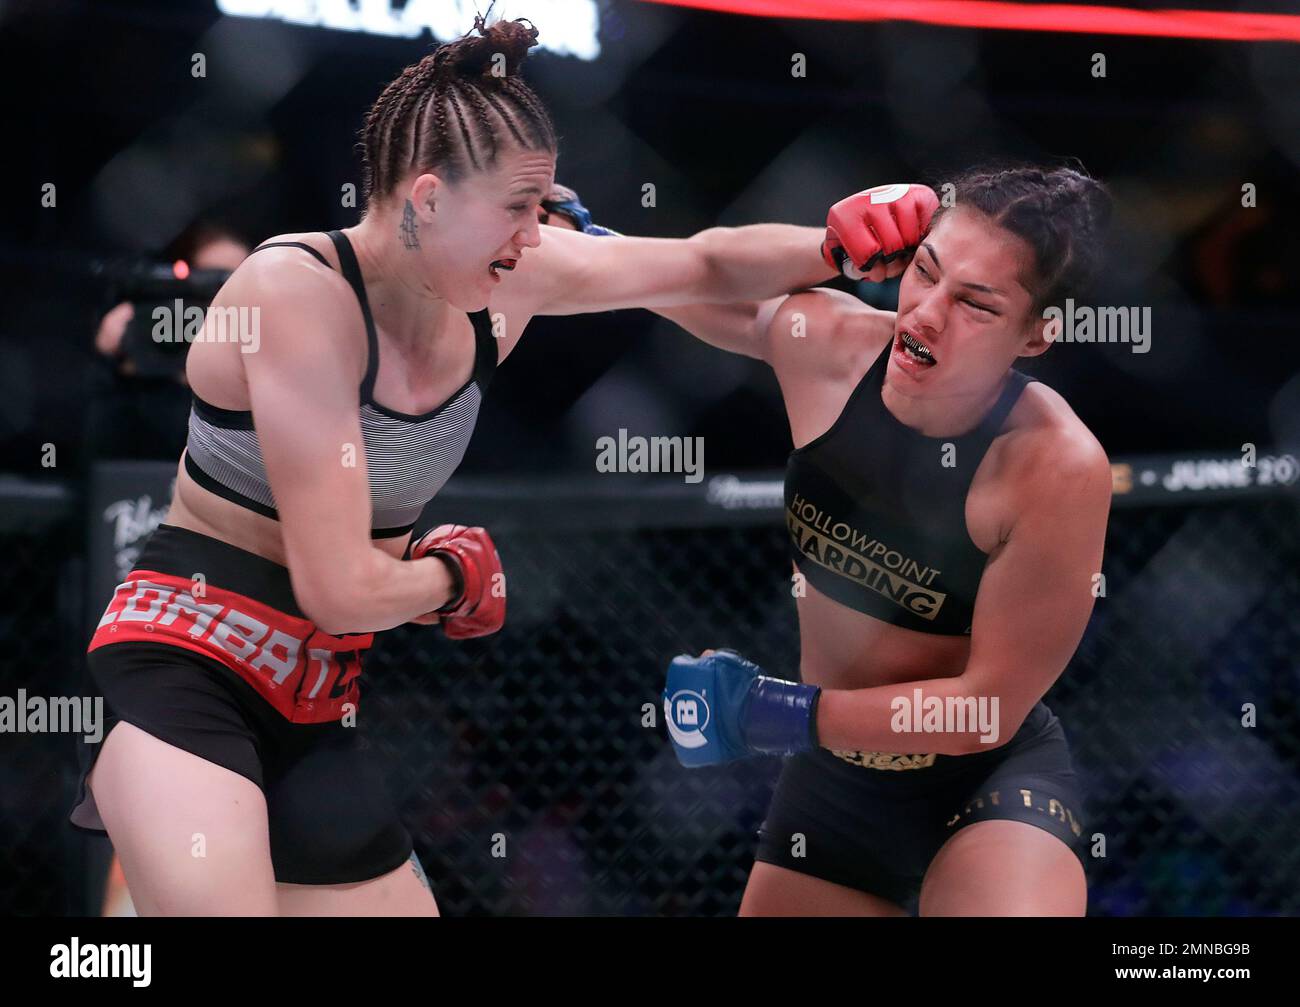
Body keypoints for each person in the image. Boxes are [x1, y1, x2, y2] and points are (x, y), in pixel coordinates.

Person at [68, 16, 879, 916]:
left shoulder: (507, 279)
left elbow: (699, 262)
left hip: (317, 700)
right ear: (426, 198)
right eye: (520, 206)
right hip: (187, 664)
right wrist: (451, 575)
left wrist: (839, 245)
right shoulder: (296, 293)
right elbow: (337, 583)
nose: (540, 233)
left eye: (541, 208)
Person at [661, 167, 1114, 916]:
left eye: (974, 303)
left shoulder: (1054, 462)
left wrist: (777, 713)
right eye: (926, 272)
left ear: (1036, 334)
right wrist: (587, 244)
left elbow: (985, 709)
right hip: (837, 781)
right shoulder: (835, 349)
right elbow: (690, 282)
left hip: (986, 782)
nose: (927, 315)